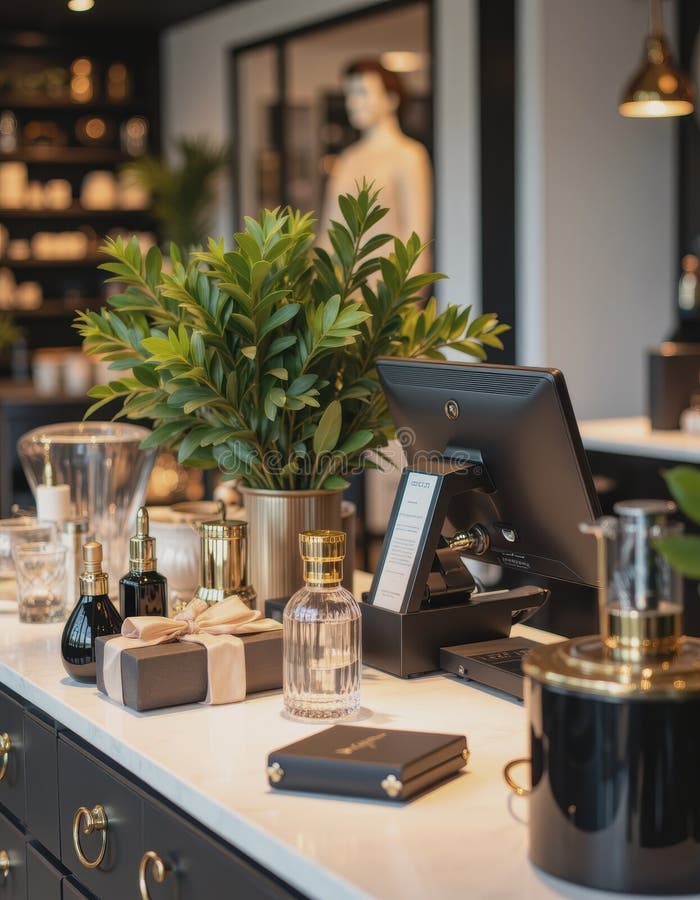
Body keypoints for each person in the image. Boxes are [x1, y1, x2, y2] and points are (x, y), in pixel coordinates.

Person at [321, 59, 432, 266]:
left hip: (387, 280)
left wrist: (405, 285)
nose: (352, 103)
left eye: (362, 93)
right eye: (349, 94)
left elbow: (416, 239)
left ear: (391, 99)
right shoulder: (347, 160)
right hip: (341, 281)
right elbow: (329, 232)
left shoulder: (408, 155)